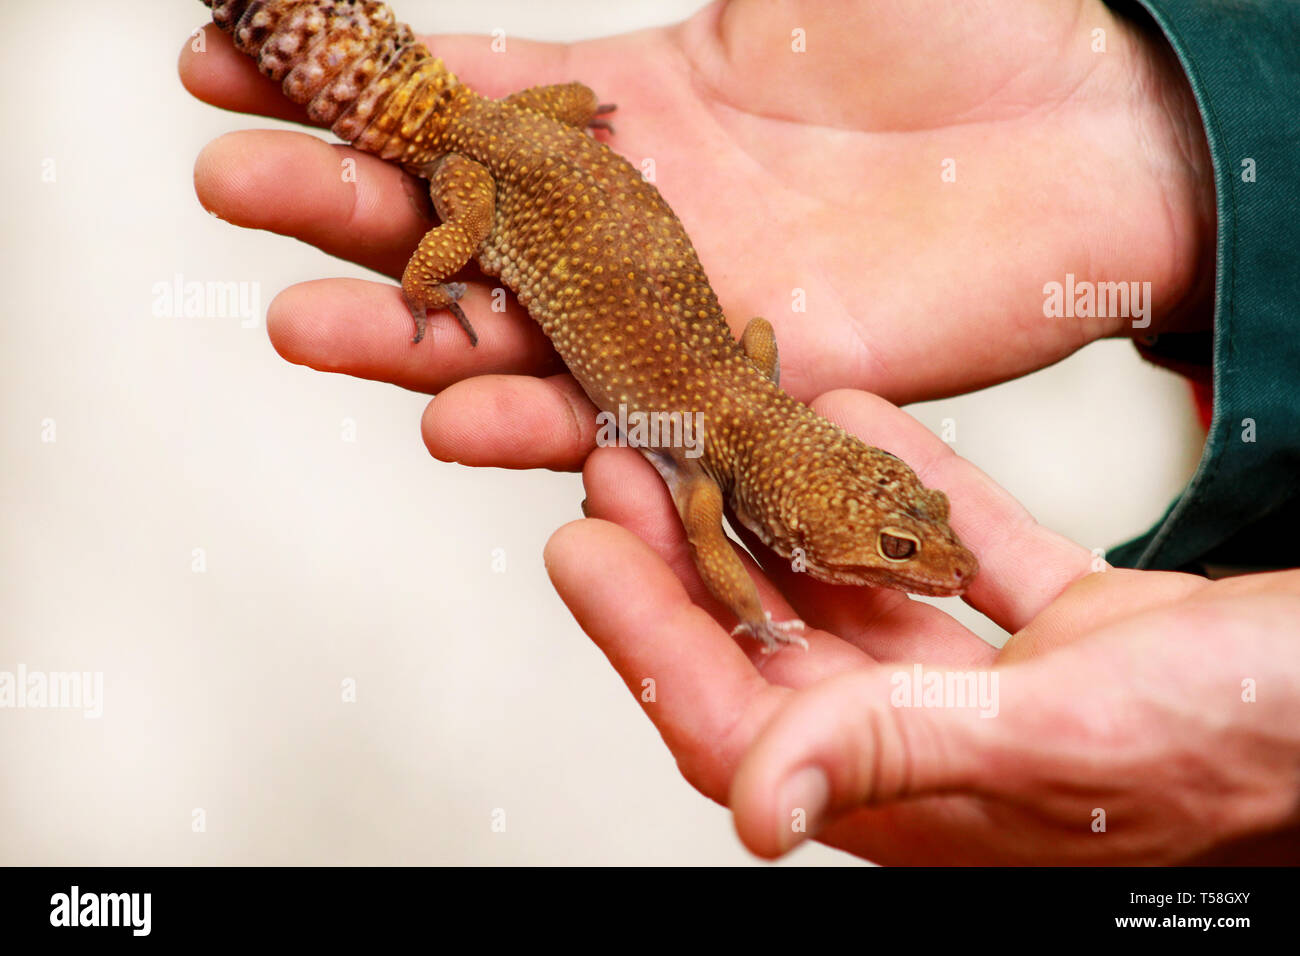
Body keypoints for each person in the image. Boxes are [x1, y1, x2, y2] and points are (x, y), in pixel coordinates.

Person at [180, 0, 1300, 863]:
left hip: (535, 126)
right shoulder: (715, 466)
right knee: (443, 238)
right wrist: (758, 621)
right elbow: (716, 544)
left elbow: (757, 337)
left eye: (908, 541)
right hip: (488, 164)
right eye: (907, 548)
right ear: (807, 500)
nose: (931, 568)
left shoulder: (749, 405)